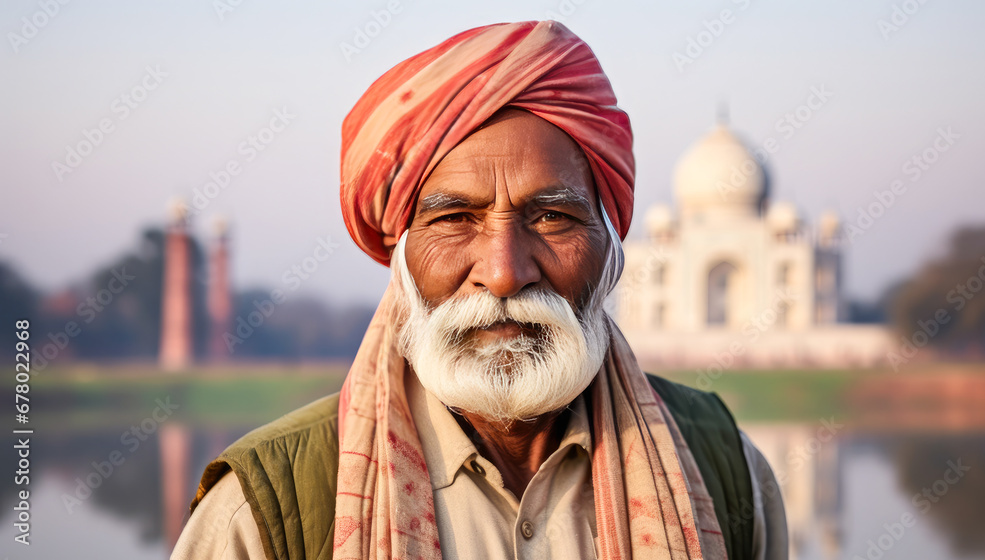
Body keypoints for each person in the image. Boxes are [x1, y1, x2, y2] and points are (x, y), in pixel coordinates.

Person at [172, 20, 787, 560]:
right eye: (453, 219)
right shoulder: (268, 510)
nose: (502, 271)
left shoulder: (723, 472)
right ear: (401, 258)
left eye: (552, 217)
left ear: (611, 253)